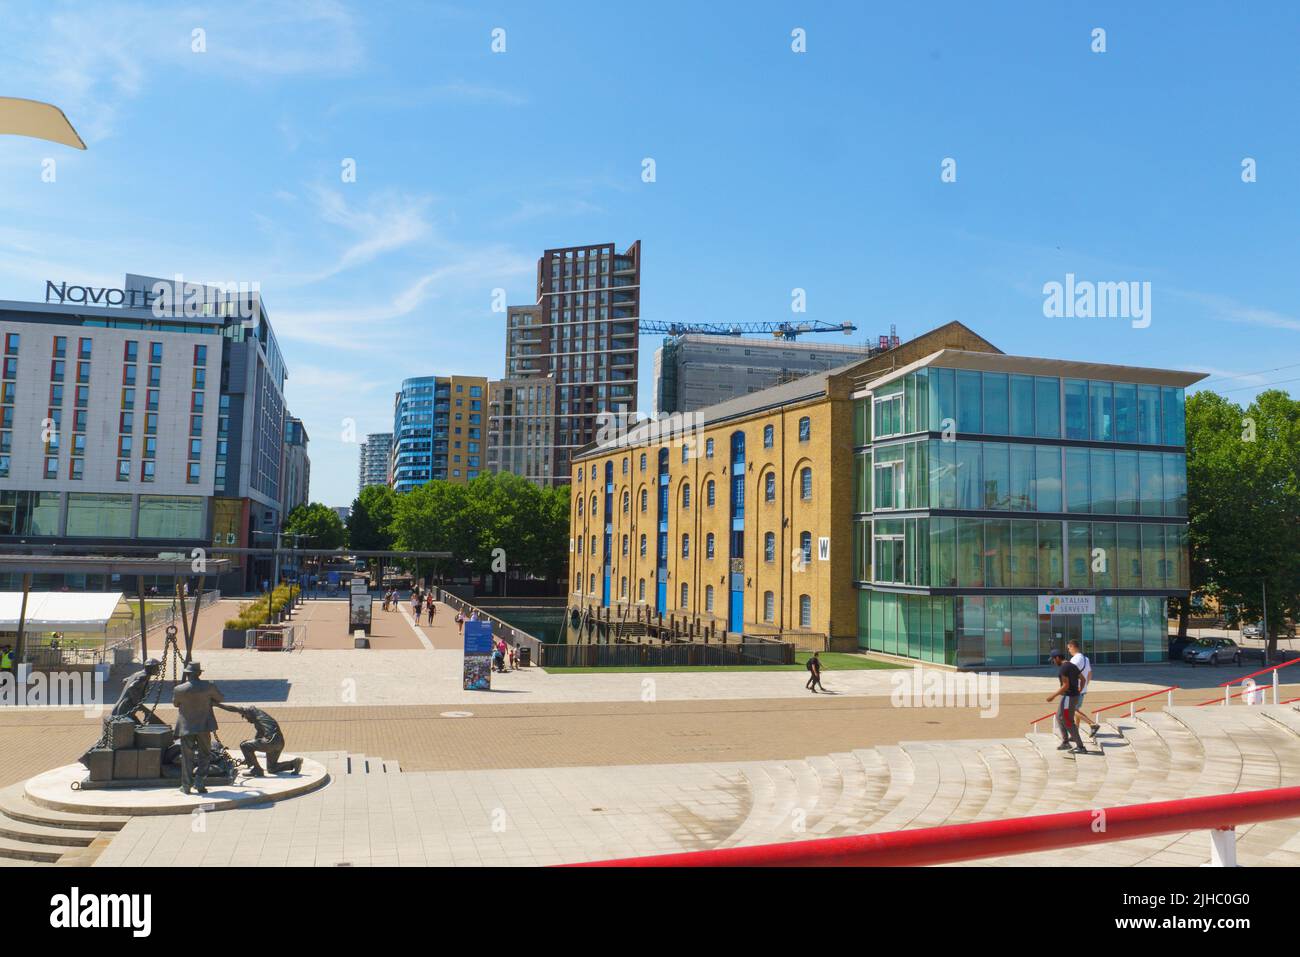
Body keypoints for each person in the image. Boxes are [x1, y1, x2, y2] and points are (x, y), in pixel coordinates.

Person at [171, 661, 224, 795]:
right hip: (204, 726)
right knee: (205, 754)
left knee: (186, 757)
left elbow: (176, 704)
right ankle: (200, 781)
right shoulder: (209, 686)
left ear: (187, 674)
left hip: (186, 727)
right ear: (199, 673)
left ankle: (186, 786)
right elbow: (220, 698)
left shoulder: (179, 689)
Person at [216, 703, 303, 777]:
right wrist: (248, 758)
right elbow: (257, 740)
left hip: (271, 742)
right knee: (272, 768)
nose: (248, 721)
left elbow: (234, 709)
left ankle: (257, 769)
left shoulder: (251, 710)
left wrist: (217, 705)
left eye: (246, 718)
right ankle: (294, 763)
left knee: (244, 745)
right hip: (279, 742)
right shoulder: (261, 719)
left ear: (247, 714)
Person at [1046, 648, 1088, 755]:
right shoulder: (1072, 665)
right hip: (1071, 696)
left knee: (1068, 721)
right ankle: (1065, 742)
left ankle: (1080, 746)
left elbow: (1066, 685)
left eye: (1053, 660)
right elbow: (1083, 679)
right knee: (1059, 716)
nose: (1053, 662)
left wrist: (1053, 696)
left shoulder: (1063, 669)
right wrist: (1079, 691)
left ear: (1058, 658)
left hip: (1068, 697)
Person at [1066, 638, 1101, 739]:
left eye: (1069, 648)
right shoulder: (1086, 659)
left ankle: (1092, 724)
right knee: (1076, 710)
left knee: (1071, 710)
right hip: (1082, 689)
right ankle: (1075, 733)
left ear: (1073, 647)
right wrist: (1085, 685)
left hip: (1075, 689)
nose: (1069, 651)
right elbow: (1090, 673)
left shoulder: (1074, 659)